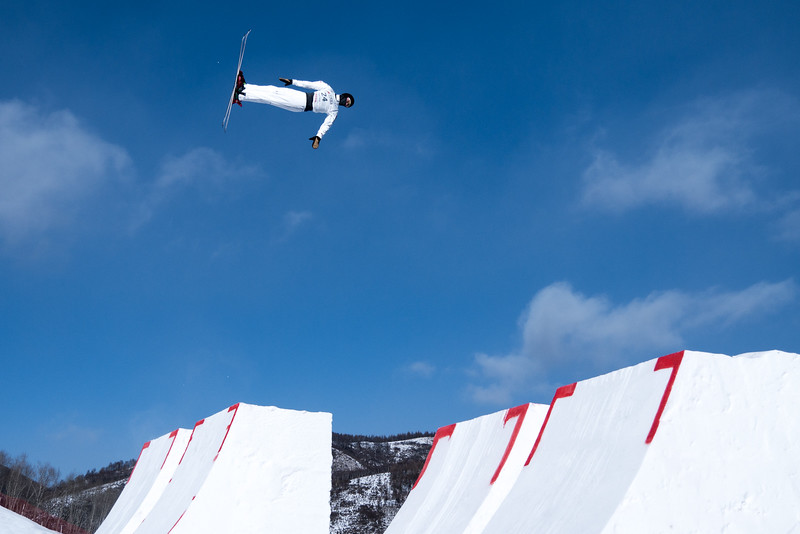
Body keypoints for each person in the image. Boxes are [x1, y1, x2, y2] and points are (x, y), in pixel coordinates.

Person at [232, 71, 354, 149]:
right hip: (302, 96)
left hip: (302, 105)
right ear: (345, 95)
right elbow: (310, 84)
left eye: (348, 105)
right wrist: (293, 81)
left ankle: (241, 95)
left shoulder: (334, 111)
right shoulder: (328, 89)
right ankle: (244, 87)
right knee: (274, 91)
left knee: (273, 98)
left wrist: (318, 137)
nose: (347, 103)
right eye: (348, 100)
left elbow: (327, 124)